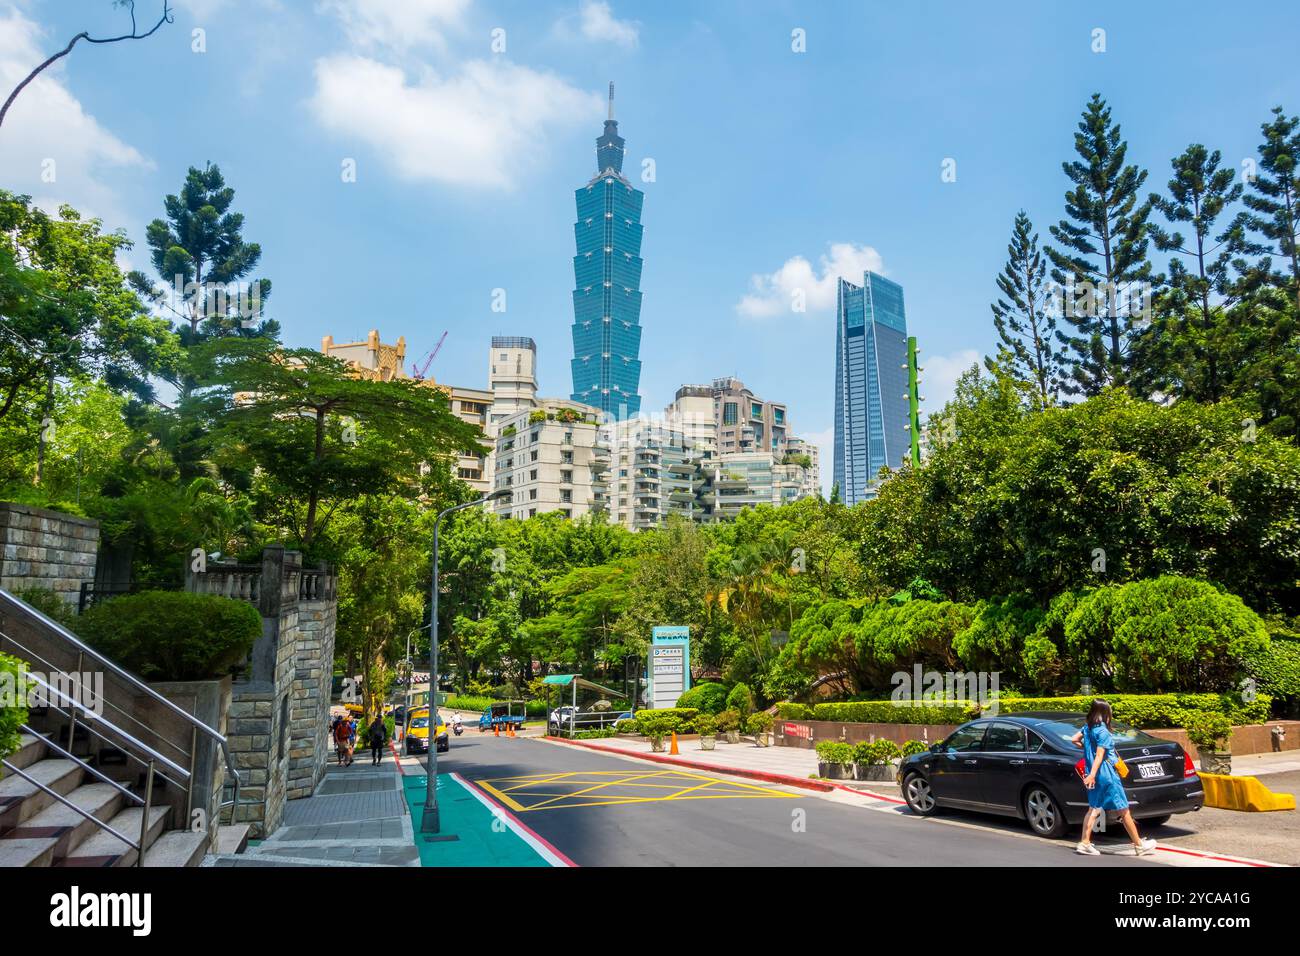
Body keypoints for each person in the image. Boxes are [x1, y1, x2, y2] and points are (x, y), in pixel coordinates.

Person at [1072, 699, 1156, 857]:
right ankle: (1139, 845)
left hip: (1094, 773)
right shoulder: (1102, 731)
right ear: (1105, 713)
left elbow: (1074, 739)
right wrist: (1092, 773)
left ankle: (1084, 843)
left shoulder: (1088, 727)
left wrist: (1087, 753)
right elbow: (1100, 755)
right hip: (1106, 774)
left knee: (1093, 808)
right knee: (1124, 811)